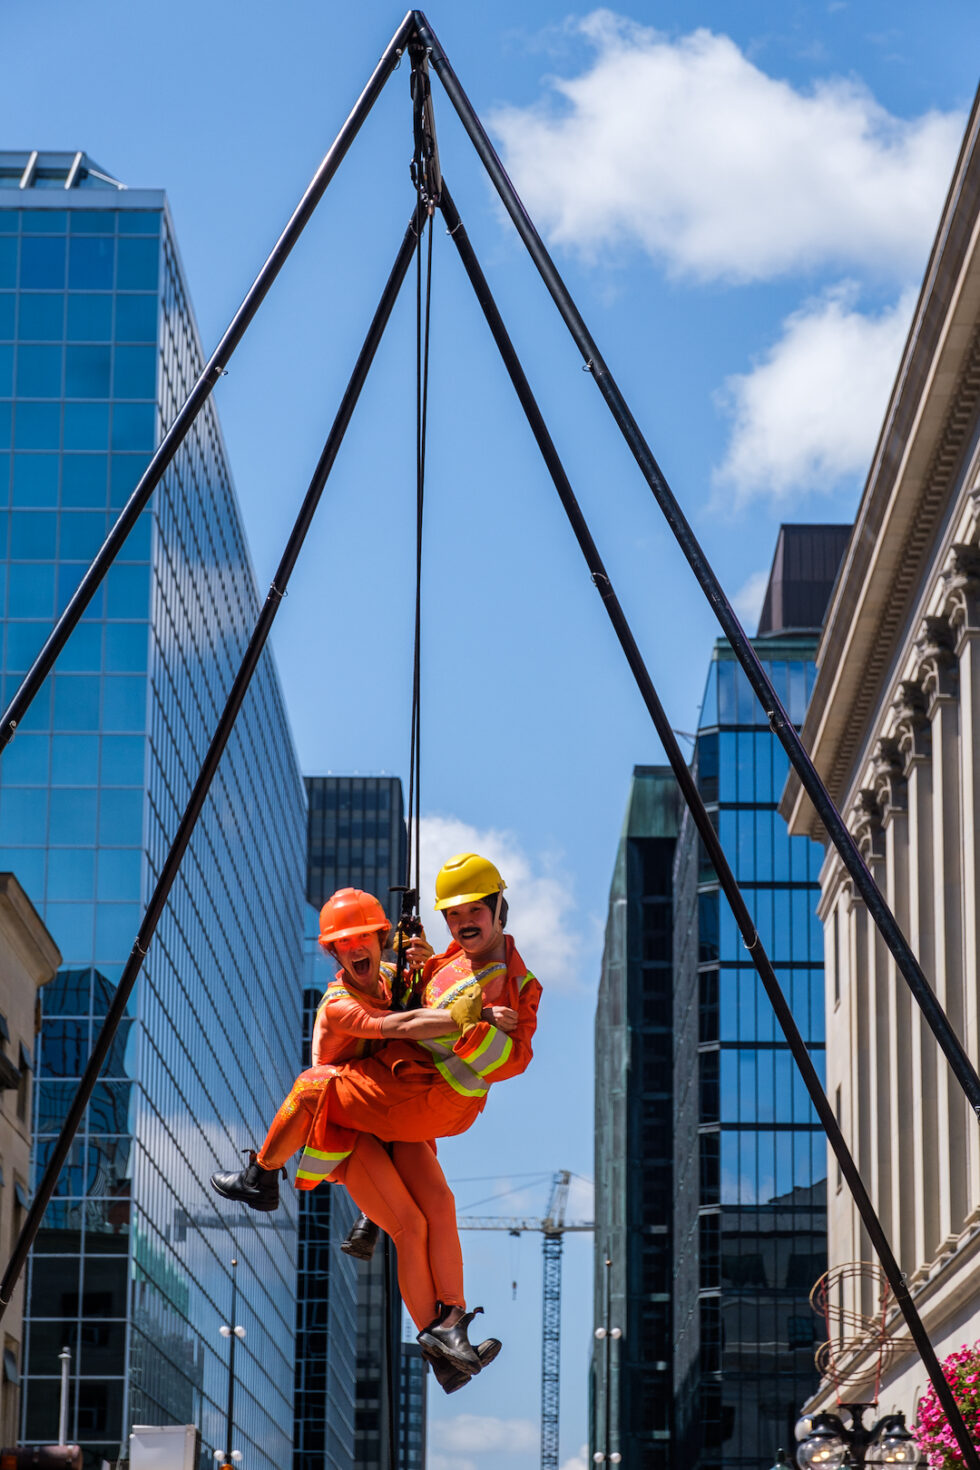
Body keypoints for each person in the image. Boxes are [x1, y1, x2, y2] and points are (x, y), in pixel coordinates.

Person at [211, 887, 495, 1384]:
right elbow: (403, 1026)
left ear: (379, 939)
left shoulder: (389, 978)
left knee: (441, 1204)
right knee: (409, 1225)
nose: (354, 948)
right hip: (346, 1126)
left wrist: (428, 966)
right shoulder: (339, 1003)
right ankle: (261, 1174)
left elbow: (421, 995)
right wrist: (469, 1015)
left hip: (386, 1114)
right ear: (334, 953)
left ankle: (451, 1327)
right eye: (343, 943)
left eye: (363, 937)